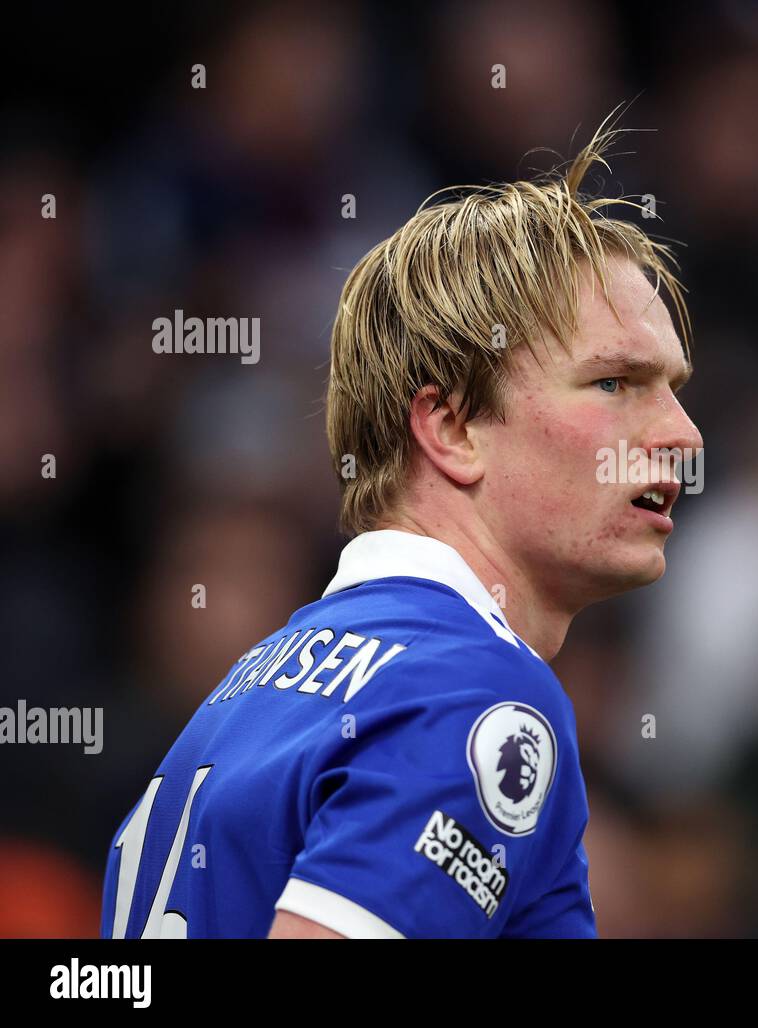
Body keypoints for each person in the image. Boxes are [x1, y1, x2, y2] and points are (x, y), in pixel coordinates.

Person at [99, 113, 703, 938]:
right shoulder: (473, 691)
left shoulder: (253, 687)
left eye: (672, 386)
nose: (683, 434)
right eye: (614, 382)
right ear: (451, 429)